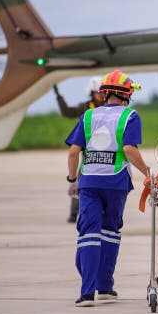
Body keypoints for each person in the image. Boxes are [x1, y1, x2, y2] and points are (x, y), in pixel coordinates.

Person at [64, 70, 151, 307]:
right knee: (111, 231)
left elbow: (73, 151)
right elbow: (130, 149)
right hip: (116, 182)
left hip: (89, 182)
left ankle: (86, 292)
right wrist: (147, 173)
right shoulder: (130, 116)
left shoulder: (88, 116)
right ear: (128, 95)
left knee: (89, 233)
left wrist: (72, 180)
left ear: (104, 93)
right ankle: (105, 287)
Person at [55, 77, 105, 223]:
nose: (100, 95)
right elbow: (67, 112)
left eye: (102, 92)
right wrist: (59, 97)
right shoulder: (84, 108)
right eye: (97, 92)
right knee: (81, 183)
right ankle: (74, 213)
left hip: (106, 149)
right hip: (88, 151)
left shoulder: (110, 107)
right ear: (91, 93)